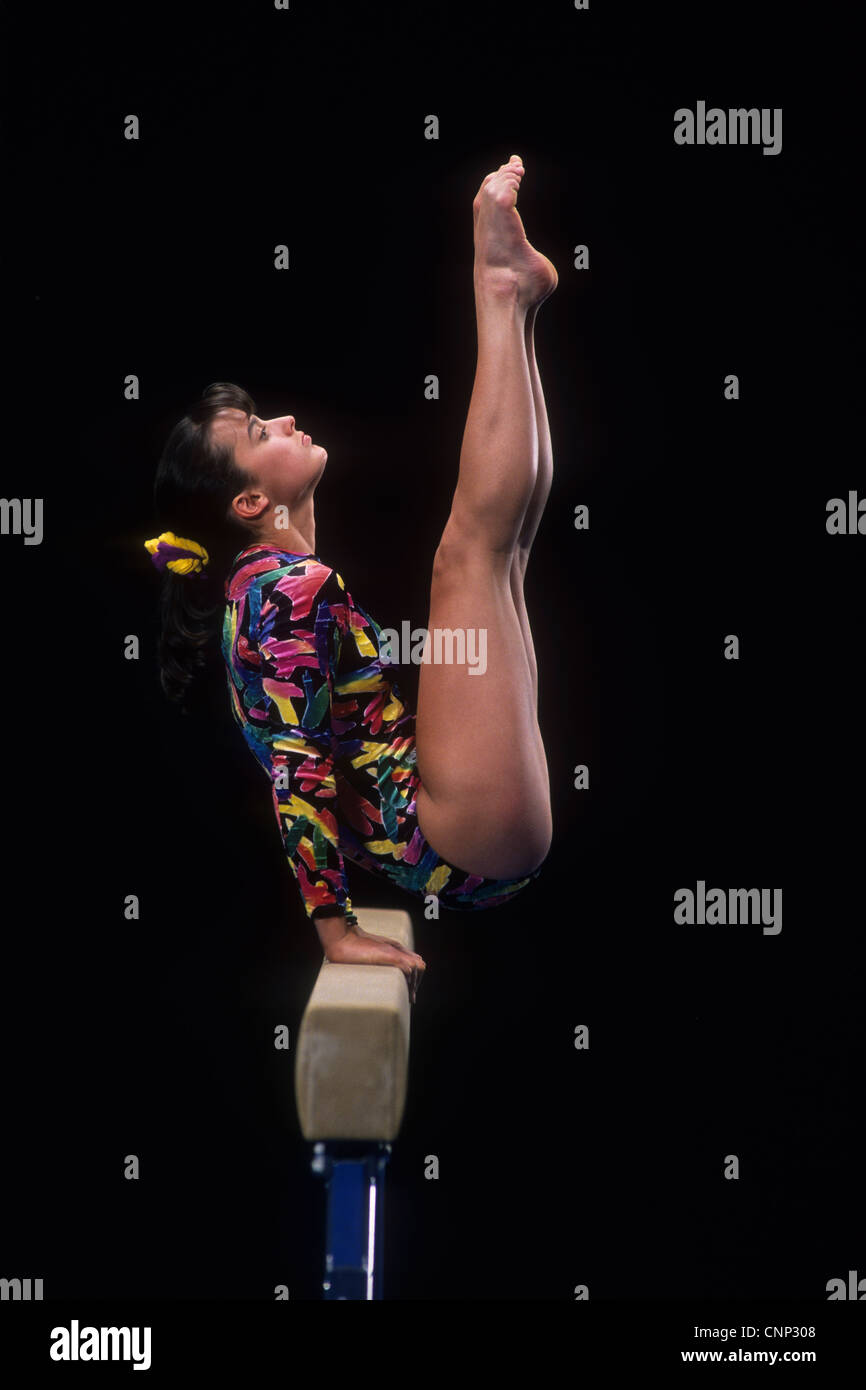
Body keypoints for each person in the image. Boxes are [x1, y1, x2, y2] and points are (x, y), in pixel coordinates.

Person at [146, 154, 558, 1003]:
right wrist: (333, 930)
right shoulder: (280, 592)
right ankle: (502, 294)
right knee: (474, 554)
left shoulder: (262, 588)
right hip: (456, 837)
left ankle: (511, 301)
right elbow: (294, 772)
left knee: (496, 550)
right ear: (253, 498)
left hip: (457, 834)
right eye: (263, 428)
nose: (287, 419)